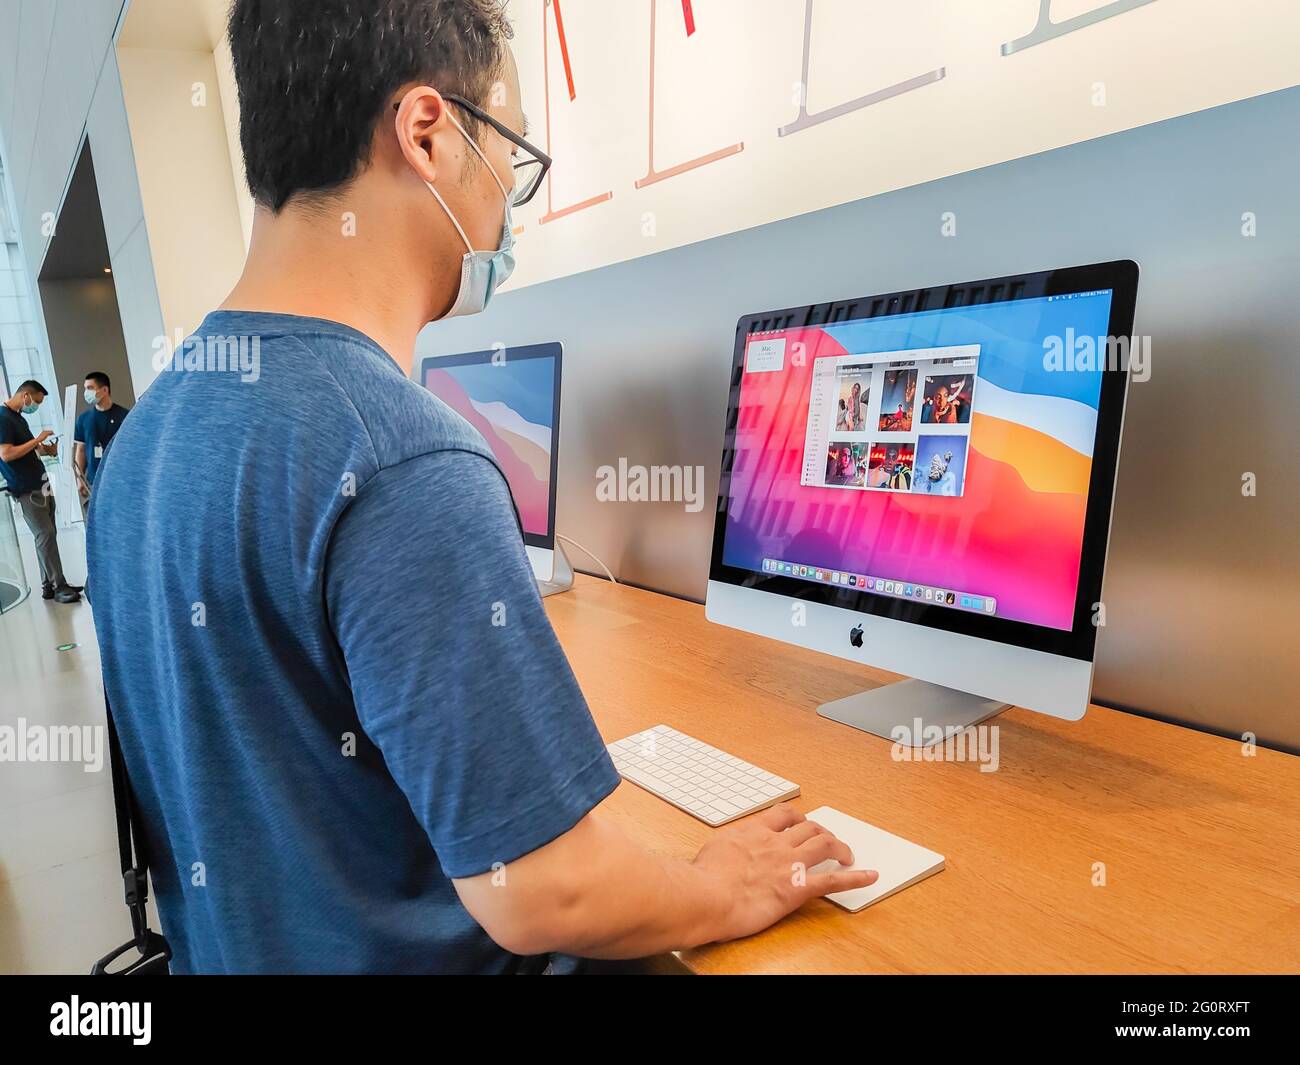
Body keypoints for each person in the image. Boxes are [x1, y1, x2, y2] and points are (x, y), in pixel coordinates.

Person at [87, 0, 874, 975]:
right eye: (510, 151)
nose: (511, 194)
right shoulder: (400, 458)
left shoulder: (147, 434)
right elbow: (546, 890)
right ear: (427, 134)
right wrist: (726, 883)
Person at [0, 381, 82, 603]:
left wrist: (47, 449)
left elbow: (29, 450)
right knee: (45, 534)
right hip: (26, 488)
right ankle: (59, 585)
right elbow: (6, 454)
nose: (35, 406)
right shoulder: (3, 418)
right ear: (25, 395)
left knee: (45, 536)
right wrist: (38, 439)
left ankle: (48, 584)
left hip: (40, 482)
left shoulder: (18, 418)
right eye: (35, 402)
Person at [74, 372, 130, 507]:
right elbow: (80, 451)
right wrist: (79, 478)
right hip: (95, 480)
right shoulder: (83, 419)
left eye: (90, 388)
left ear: (104, 390)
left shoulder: (125, 416)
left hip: (121, 478)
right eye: (85, 388)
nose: (86, 392)